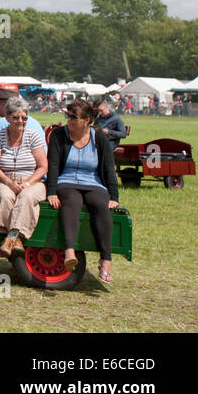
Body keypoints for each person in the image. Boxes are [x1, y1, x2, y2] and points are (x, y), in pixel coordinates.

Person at [46, 99, 119, 284]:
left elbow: (109, 168)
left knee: (99, 204)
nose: (69, 120)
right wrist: (52, 191)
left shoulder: (99, 138)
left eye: (73, 117)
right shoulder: (58, 135)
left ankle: (106, 259)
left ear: (86, 120)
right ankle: (69, 251)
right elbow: (53, 165)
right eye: (68, 116)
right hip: (67, 180)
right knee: (72, 201)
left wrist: (113, 196)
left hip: (93, 181)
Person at [0, 98, 48, 256]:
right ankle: (17, 240)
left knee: (27, 197)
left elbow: (43, 167)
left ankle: (10, 237)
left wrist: (27, 184)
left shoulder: (33, 136)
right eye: (15, 117)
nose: (20, 121)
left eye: (24, 117)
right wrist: (8, 182)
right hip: (4, 179)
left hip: (32, 180)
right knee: (6, 196)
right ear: (7, 118)